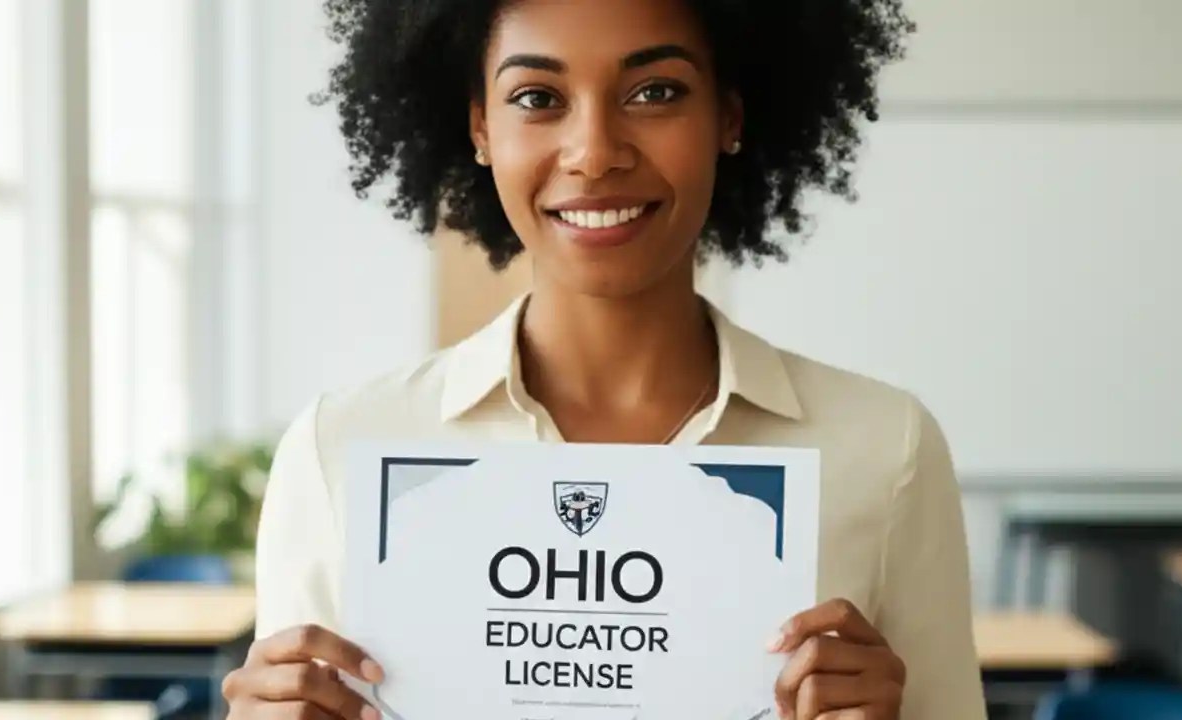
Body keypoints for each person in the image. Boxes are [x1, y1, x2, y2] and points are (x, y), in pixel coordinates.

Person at [222, 0, 986, 718]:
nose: (594, 153)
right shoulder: (340, 448)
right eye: (536, 97)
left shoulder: (885, 450)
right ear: (481, 127)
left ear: (729, 115)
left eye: (655, 92)